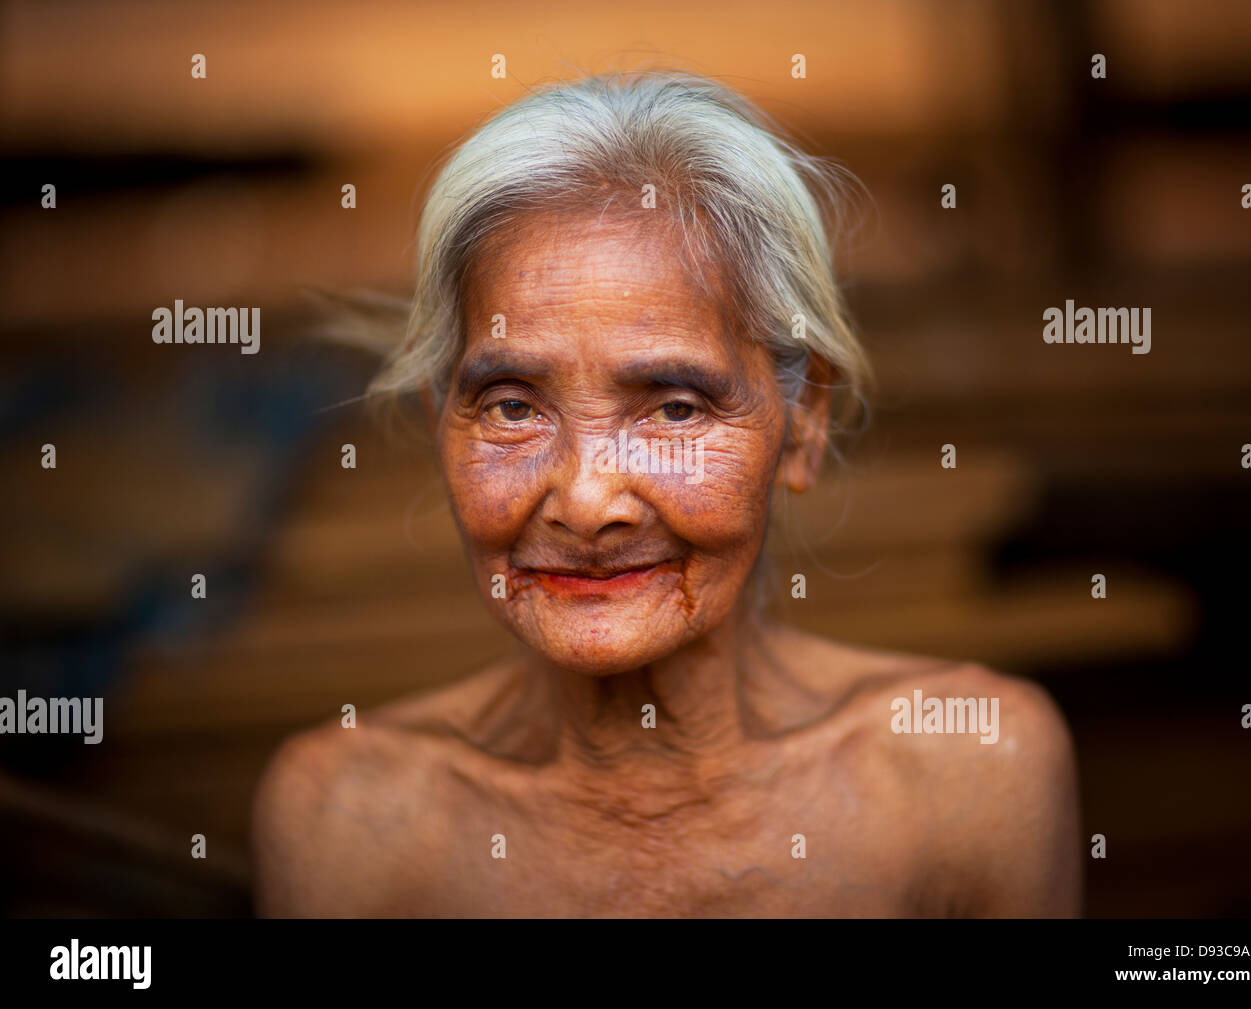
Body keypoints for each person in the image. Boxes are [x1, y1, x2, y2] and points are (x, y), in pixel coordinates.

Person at [252, 71, 1081, 917]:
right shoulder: (348, 819)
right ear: (442, 425)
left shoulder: (969, 774)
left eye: (676, 407)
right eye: (511, 406)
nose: (585, 500)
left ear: (801, 422)